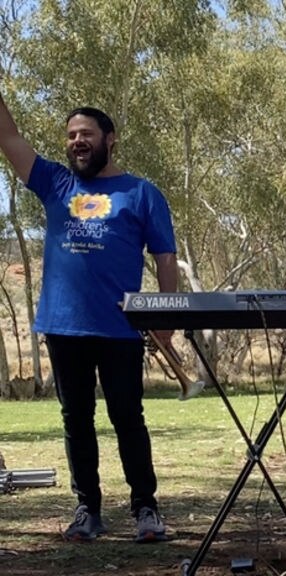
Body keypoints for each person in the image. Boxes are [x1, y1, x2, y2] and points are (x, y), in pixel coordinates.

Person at [0, 98, 178, 542]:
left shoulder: (141, 193)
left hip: (121, 328)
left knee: (127, 418)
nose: (77, 141)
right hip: (65, 327)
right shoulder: (55, 183)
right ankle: (87, 511)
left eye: (87, 134)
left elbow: (166, 257)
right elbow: (8, 138)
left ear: (110, 140)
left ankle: (146, 511)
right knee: (75, 420)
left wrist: (167, 314)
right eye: (71, 135)